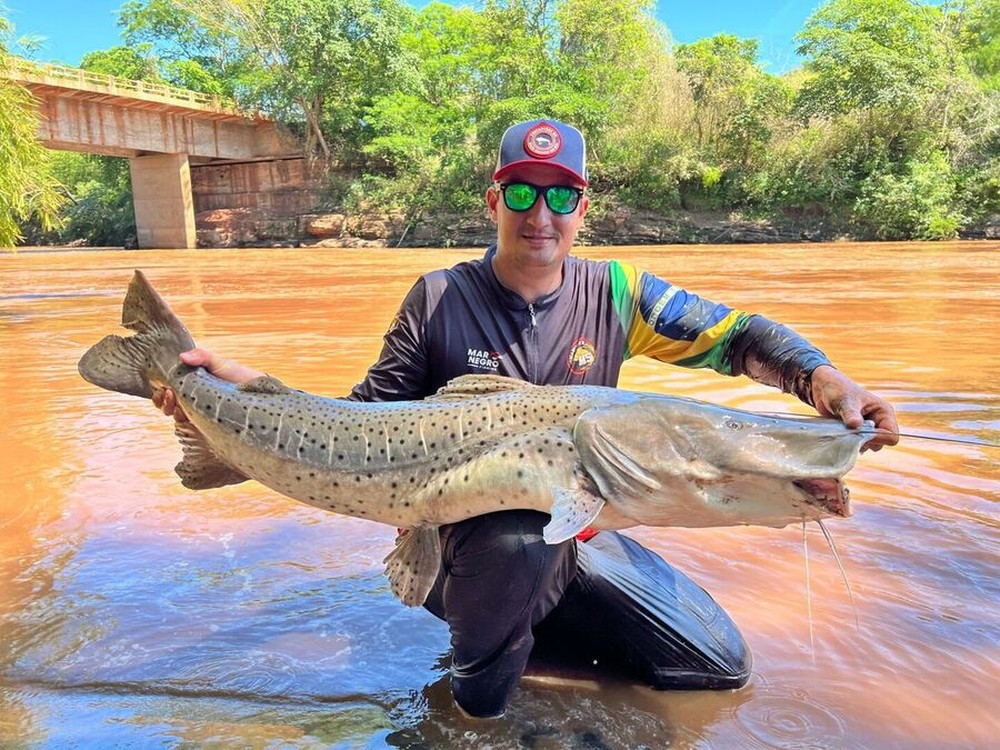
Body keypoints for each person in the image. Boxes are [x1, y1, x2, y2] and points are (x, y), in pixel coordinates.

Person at [155, 119, 899, 719]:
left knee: (713, 668)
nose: (540, 215)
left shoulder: (619, 293)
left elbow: (741, 339)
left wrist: (829, 388)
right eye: (520, 195)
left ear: (582, 207)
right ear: (492, 202)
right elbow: (360, 421)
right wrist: (233, 390)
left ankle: (531, 649)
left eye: (559, 196)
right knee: (515, 541)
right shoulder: (439, 297)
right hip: (469, 554)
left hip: (576, 533)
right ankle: (473, 709)